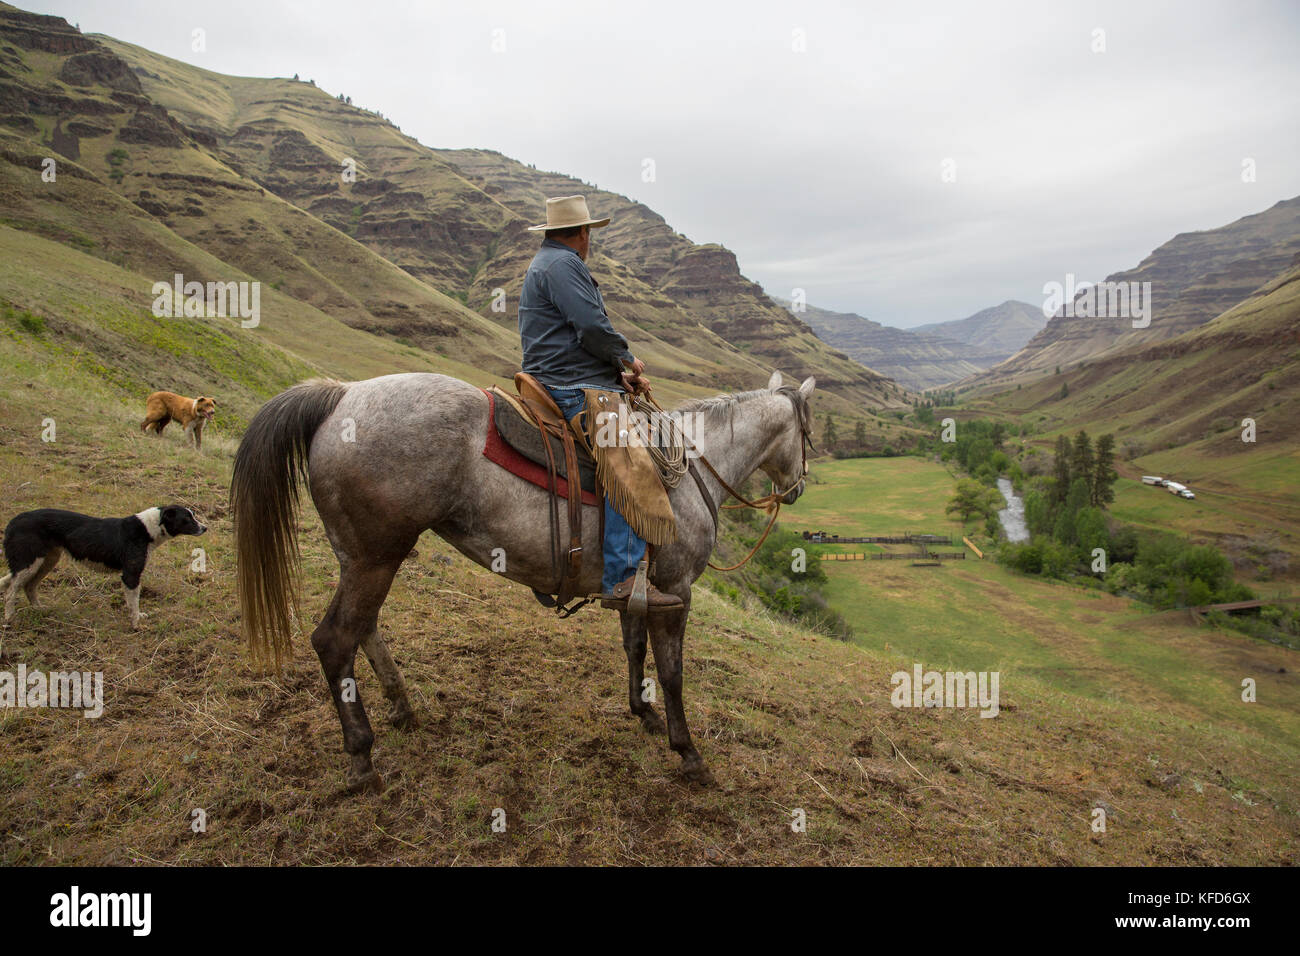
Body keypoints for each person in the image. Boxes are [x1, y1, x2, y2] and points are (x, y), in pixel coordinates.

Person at [518, 195, 682, 612]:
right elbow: (591, 326)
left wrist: (616, 372)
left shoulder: (548, 263)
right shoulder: (563, 265)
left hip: (567, 376)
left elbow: (577, 334)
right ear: (585, 233)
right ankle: (624, 577)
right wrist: (625, 358)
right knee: (628, 456)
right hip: (571, 385)